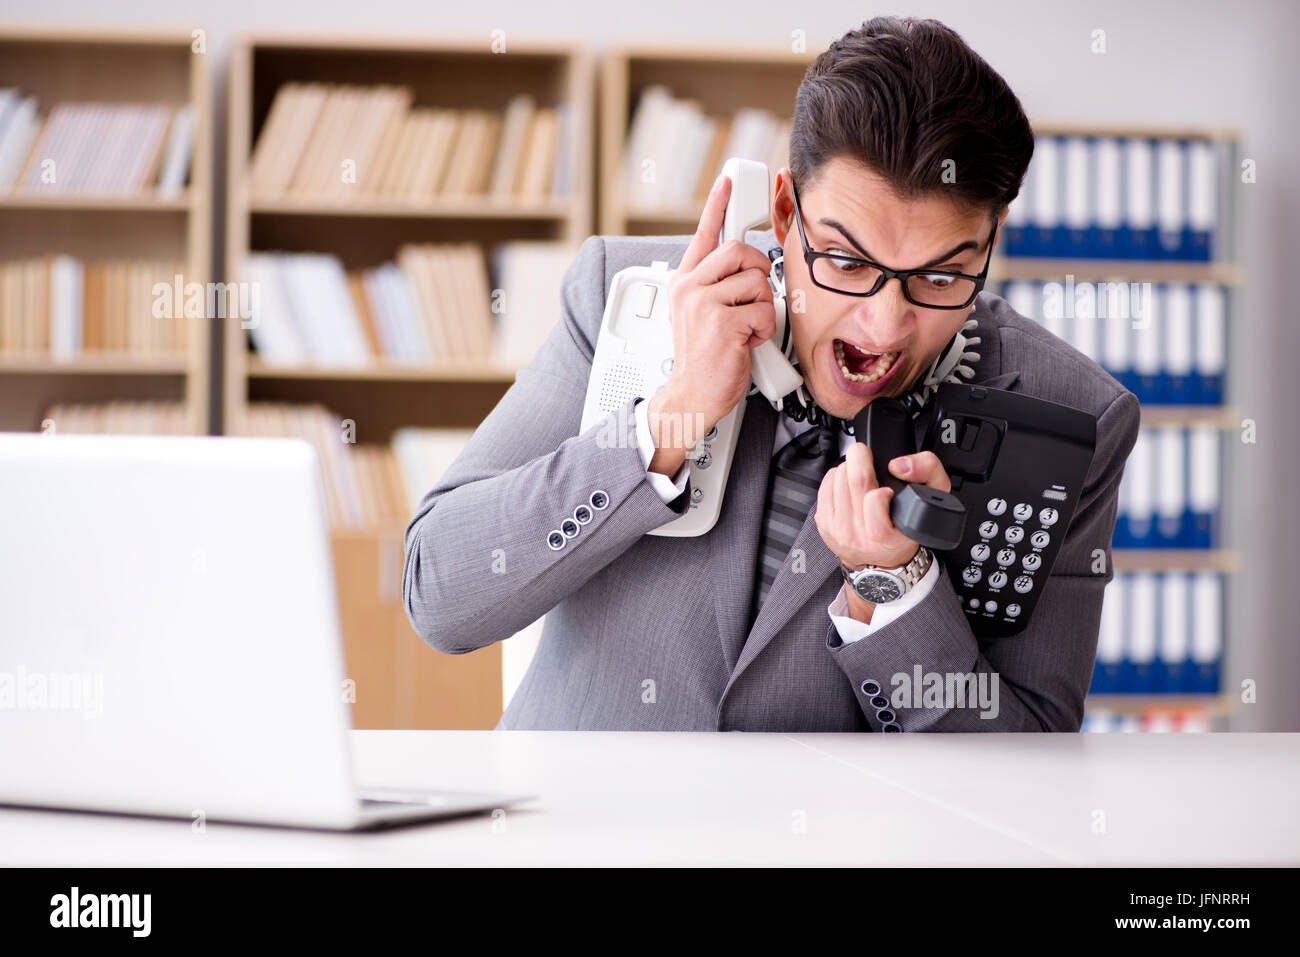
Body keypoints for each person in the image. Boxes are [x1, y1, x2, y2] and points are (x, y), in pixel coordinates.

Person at [402, 16, 1141, 731]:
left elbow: (1027, 769)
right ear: (783, 210)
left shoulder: (1075, 415)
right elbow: (440, 595)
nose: (884, 327)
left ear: (991, 239)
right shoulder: (623, 294)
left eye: (943, 277)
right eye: (847, 262)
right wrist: (667, 420)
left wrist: (897, 588)